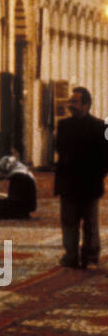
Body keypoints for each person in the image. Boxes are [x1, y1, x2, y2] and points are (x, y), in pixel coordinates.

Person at [53, 85, 108, 268]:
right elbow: (59, 150)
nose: (71, 105)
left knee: (90, 223)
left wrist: (98, 174)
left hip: (89, 182)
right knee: (69, 222)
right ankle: (71, 255)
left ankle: (90, 257)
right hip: (68, 182)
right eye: (70, 101)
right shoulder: (63, 125)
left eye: (75, 102)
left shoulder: (100, 126)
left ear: (86, 104)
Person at [0, 152, 37, 219]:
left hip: (21, 207)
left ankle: (19, 215)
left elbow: (14, 201)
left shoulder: (18, 177)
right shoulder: (24, 173)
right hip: (29, 206)